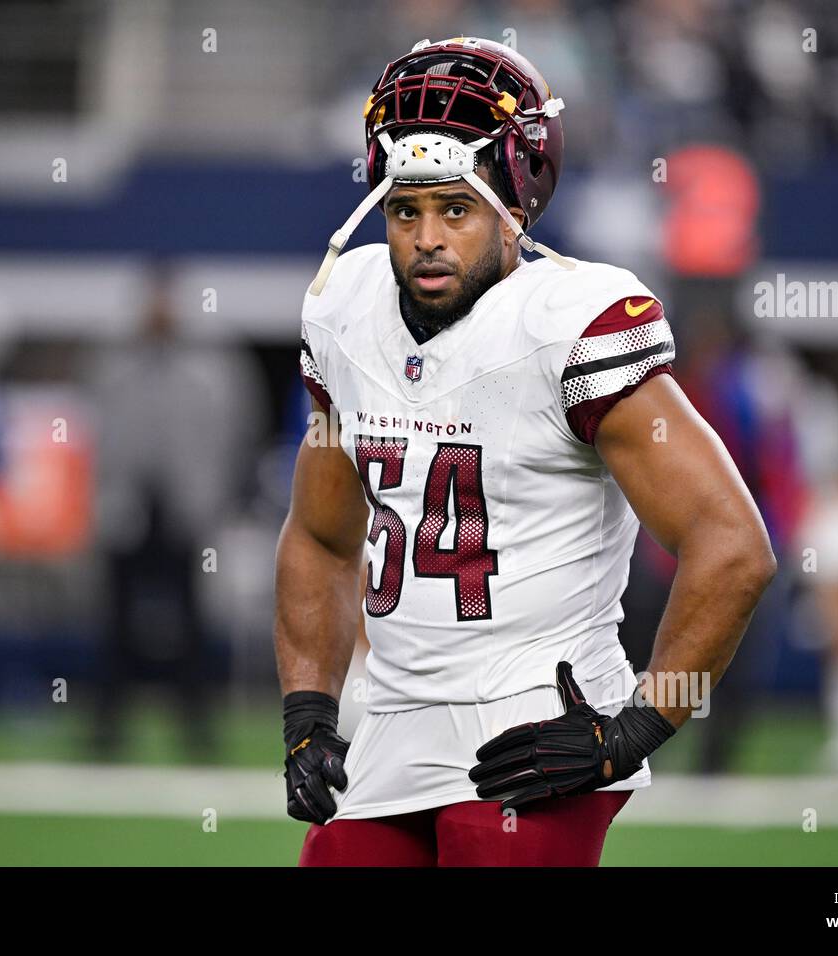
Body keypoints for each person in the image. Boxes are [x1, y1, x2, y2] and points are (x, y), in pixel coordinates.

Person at [275, 38, 776, 866]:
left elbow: (733, 544)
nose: (427, 239)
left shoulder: (571, 324)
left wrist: (633, 732)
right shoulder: (345, 312)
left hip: (535, 727)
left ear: (514, 206)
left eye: (456, 209)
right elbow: (322, 535)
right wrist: (308, 712)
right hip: (394, 725)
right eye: (406, 211)